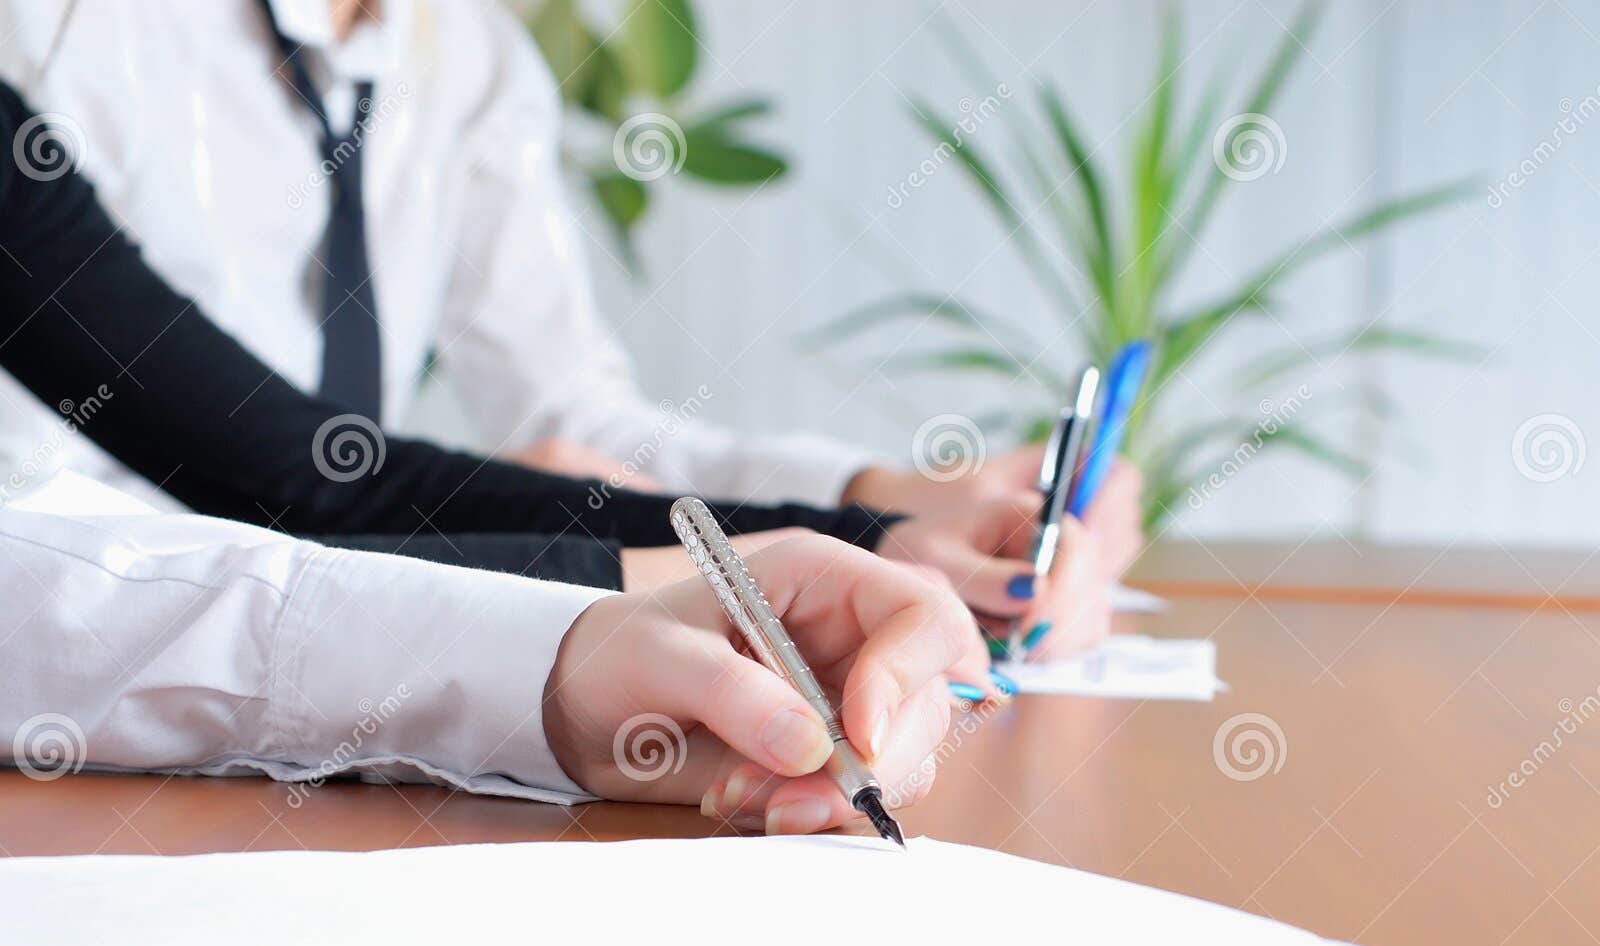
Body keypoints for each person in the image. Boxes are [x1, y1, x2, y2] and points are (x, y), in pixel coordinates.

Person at [0, 0, 1139, 647]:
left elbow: (357, 478)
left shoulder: (466, 53)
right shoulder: (66, 38)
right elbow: (57, 546)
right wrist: (571, 571)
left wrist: (878, 510)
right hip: (142, 664)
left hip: (330, 629)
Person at [2, 470, 987, 836]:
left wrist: (559, 670)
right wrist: (561, 642)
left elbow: (356, 467)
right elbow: (290, 458)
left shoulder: (459, 72)